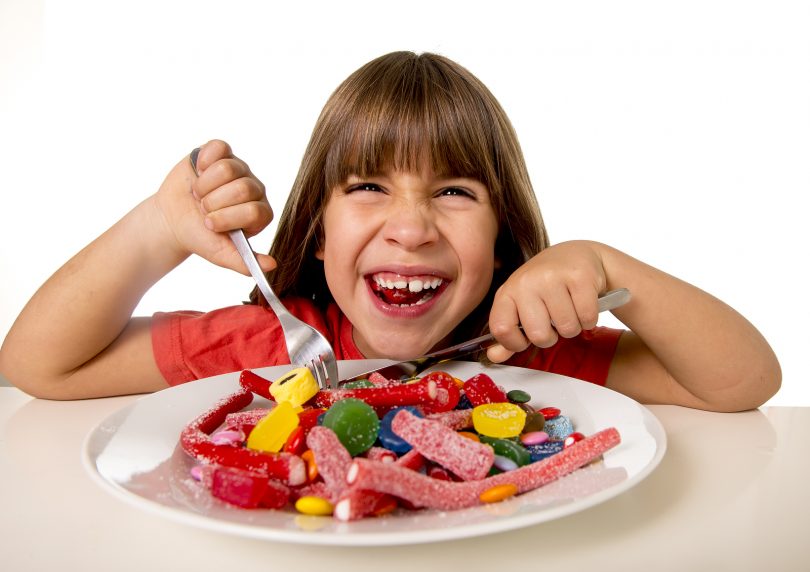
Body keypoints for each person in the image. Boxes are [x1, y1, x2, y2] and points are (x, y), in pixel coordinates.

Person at [0, 51, 780, 410]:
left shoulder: (535, 355)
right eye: (369, 186)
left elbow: (745, 383)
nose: (410, 228)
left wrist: (613, 269)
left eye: (453, 191)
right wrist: (154, 231)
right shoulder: (275, 348)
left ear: (506, 242)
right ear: (315, 234)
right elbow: (41, 367)